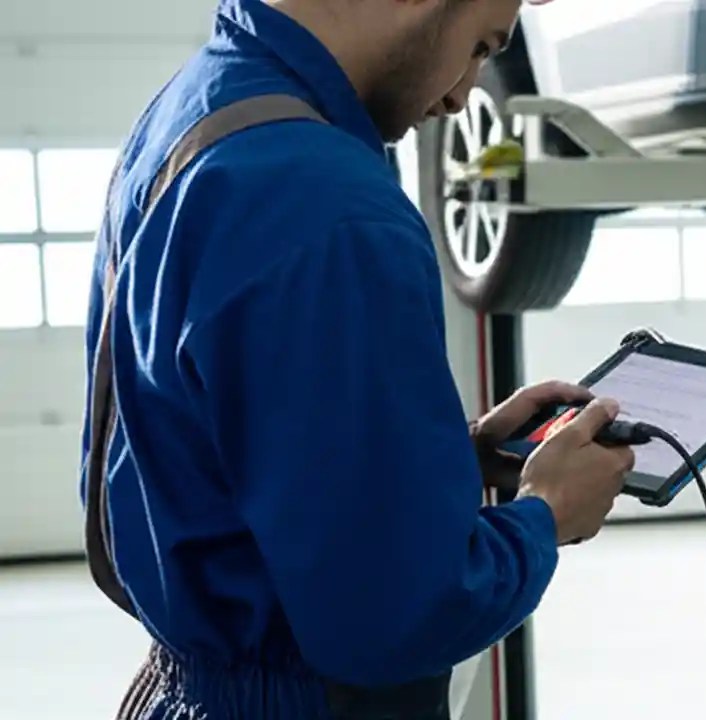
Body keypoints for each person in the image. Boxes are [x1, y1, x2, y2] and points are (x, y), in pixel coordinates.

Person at [78, 0, 635, 717]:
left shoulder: (203, 107)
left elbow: (225, 452)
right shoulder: (328, 205)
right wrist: (546, 513)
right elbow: (395, 615)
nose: (465, 94)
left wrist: (446, 463)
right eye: (479, 46)